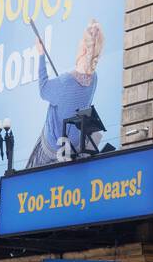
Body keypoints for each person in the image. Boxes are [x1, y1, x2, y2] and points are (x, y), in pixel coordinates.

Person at [26, 19, 105, 168]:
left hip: (52, 148)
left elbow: (43, 90)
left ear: (82, 49)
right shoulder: (94, 79)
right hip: (75, 145)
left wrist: (41, 55)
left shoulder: (65, 82)